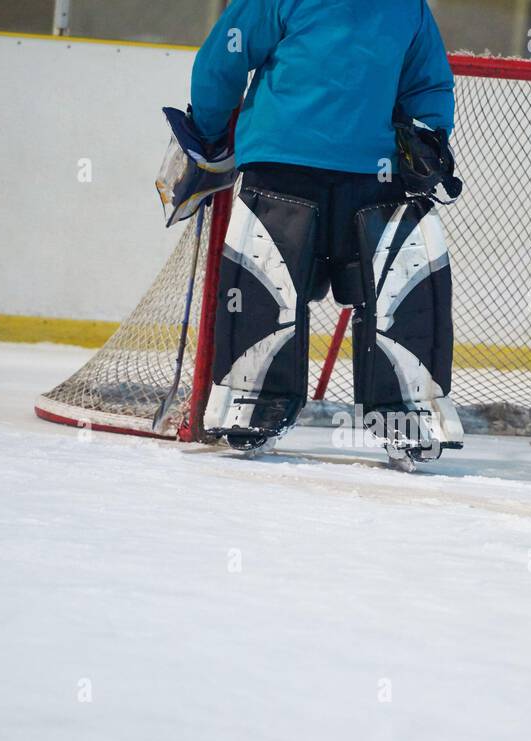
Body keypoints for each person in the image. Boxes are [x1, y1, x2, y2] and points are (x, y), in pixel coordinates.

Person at [173, 0, 465, 465]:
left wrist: (429, 137)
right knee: (273, 282)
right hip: (292, 166)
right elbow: (224, 58)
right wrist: (207, 126)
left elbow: (426, 82)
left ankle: (396, 409)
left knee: (373, 287)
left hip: (363, 174)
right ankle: (257, 401)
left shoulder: (408, 7)